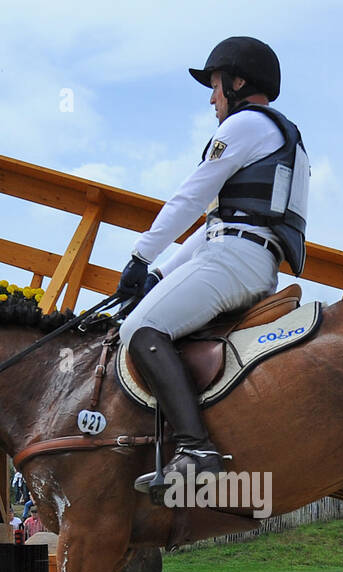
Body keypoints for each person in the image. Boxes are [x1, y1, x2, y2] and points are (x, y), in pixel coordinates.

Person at [114, 36, 308, 497]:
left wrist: (140, 257)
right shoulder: (278, 136)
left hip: (236, 258)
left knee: (140, 330)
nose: (211, 96)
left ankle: (197, 450)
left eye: (215, 84)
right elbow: (214, 224)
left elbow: (190, 196)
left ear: (238, 82)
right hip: (241, 253)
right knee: (147, 316)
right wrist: (159, 275)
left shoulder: (244, 125)